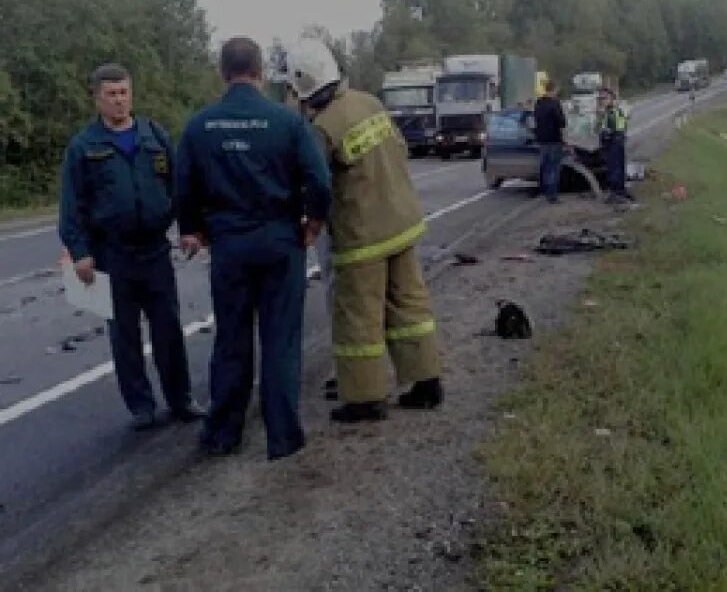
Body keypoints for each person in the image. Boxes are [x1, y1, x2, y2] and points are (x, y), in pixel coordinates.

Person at [175, 37, 331, 460]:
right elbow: (318, 179)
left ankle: (223, 433)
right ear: (261, 73)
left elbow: (183, 186)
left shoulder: (200, 126)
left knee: (232, 340)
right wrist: (314, 222)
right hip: (282, 241)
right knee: (281, 340)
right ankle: (283, 437)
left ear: (223, 72)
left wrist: (193, 228)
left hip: (230, 247)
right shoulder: (286, 122)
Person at [282, 38, 443, 423]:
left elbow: (315, 184)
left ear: (300, 85)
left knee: (358, 317)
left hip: (362, 236)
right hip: (402, 223)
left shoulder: (321, 127)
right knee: (410, 305)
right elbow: (400, 150)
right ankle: (426, 383)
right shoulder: (369, 102)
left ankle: (365, 398)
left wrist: (312, 220)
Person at [58, 64, 204, 430]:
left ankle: (181, 398)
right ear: (97, 98)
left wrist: (189, 229)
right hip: (112, 255)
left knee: (168, 328)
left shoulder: (154, 136)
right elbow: (71, 205)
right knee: (124, 334)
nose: (119, 100)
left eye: (124, 92)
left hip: (155, 251)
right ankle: (141, 406)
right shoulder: (84, 147)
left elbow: (179, 188)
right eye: (111, 94)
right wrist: (80, 252)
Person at [598, 87, 634, 204]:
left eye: (605, 98)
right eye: (601, 98)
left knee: (617, 166)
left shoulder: (617, 109)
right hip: (611, 140)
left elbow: (627, 115)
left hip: (616, 140)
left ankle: (618, 192)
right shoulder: (605, 112)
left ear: (612, 98)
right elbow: (599, 128)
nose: (602, 101)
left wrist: (615, 106)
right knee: (614, 167)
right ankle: (617, 191)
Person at [533, 79, 567, 203]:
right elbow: (561, 123)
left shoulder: (539, 103)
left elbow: (535, 120)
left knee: (544, 166)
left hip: (541, 140)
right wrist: (565, 140)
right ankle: (552, 195)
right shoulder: (555, 103)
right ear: (554, 89)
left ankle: (543, 191)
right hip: (554, 139)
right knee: (553, 168)